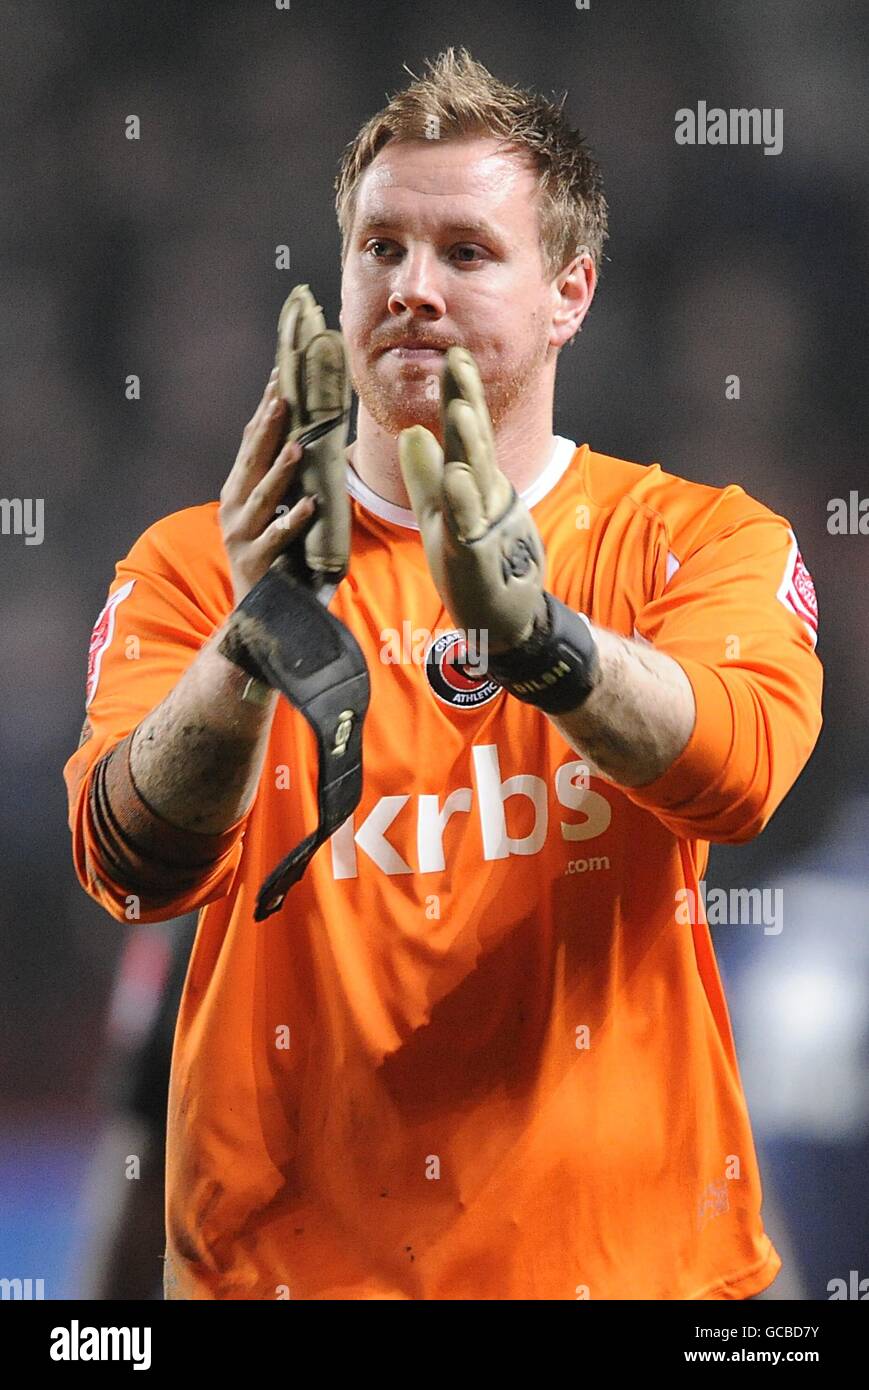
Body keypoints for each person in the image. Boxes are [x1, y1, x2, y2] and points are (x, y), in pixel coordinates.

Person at [63, 48, 823, 1300]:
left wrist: (539, 640)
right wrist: (258, 641)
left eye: (465, 253)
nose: (412, 287)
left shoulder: (697, 538)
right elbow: (127, 861)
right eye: (381, 250)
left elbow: (732, 773)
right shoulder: (191, 565)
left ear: (569, 290)